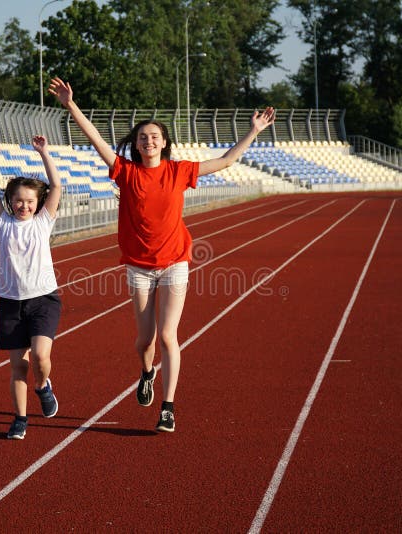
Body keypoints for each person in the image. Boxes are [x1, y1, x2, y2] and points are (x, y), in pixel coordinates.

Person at [48, 76, 276, 433]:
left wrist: (254, 130)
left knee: (169, 336)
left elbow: (228, 160)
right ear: (136, 146)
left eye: (154, 136)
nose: (148, 140)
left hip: (174, 263)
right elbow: (95, 139)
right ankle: (146, 371)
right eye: (142, 137)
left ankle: (167, 407)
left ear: (164, 142)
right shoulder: (124, 172)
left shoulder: (180, 170)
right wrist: (71, 105)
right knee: (145, 341)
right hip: (139, 267)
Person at [0, 135, 63, 440]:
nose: (24, 205)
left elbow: (56, 187)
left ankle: (43, 387)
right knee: (18, 366)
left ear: (37, 204)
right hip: (11, 302)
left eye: (30, 201)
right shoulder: (2, 222)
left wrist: (44, 152)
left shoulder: (43, 222)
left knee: (41, 358)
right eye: (18, 200)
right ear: (11, 201)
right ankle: (20, 418)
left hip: (43, 299)